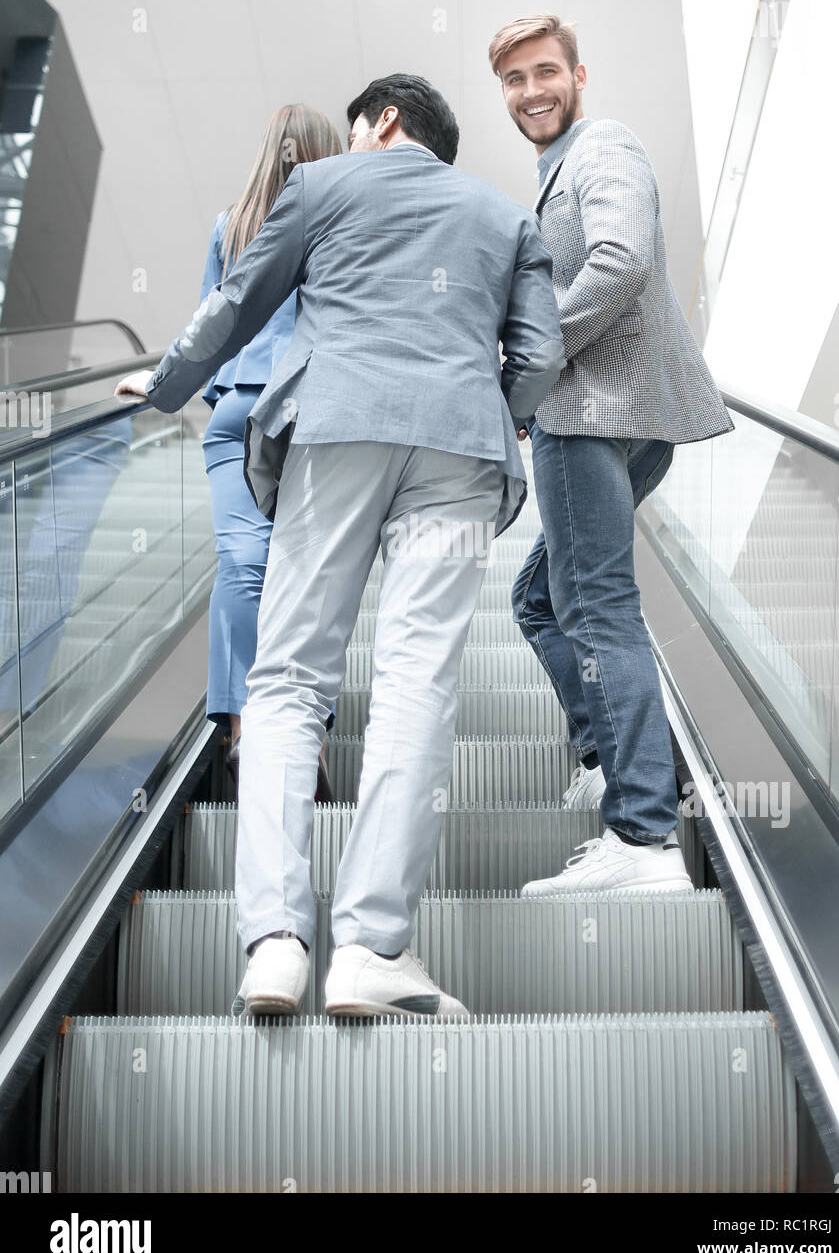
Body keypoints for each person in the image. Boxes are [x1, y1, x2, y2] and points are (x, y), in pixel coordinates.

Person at [115, 73, 565, 1020]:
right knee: (416, 684)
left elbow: (236, 305)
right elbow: (539, 356)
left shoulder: (319, 188)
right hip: (458, 449)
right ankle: (369, 949)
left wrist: (164, 387)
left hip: (333, 433)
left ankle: (276, 943)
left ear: (383, 122)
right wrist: (501, 417)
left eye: (357, 125)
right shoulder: (503, 216)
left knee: (286, 680)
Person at [487, 14, 734, 897]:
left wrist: (529, 361)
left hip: (591, 411)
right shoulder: (558, 169)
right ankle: (613, 759)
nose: (530, 92)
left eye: (544, 72)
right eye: (513, 80)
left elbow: (622, 262)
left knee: (596, 605)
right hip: (624, 414)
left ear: (578, 75)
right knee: (540, 598)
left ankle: (642, 835)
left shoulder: (604, 146)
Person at [197, 104, 343, 797]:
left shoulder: (231, 227)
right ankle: (301, 729)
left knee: (243, 567)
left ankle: (249, 724)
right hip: (311, 415)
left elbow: (209, 326)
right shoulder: (340, 226)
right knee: (306, 576)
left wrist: (218, 395)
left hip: (238, 409)